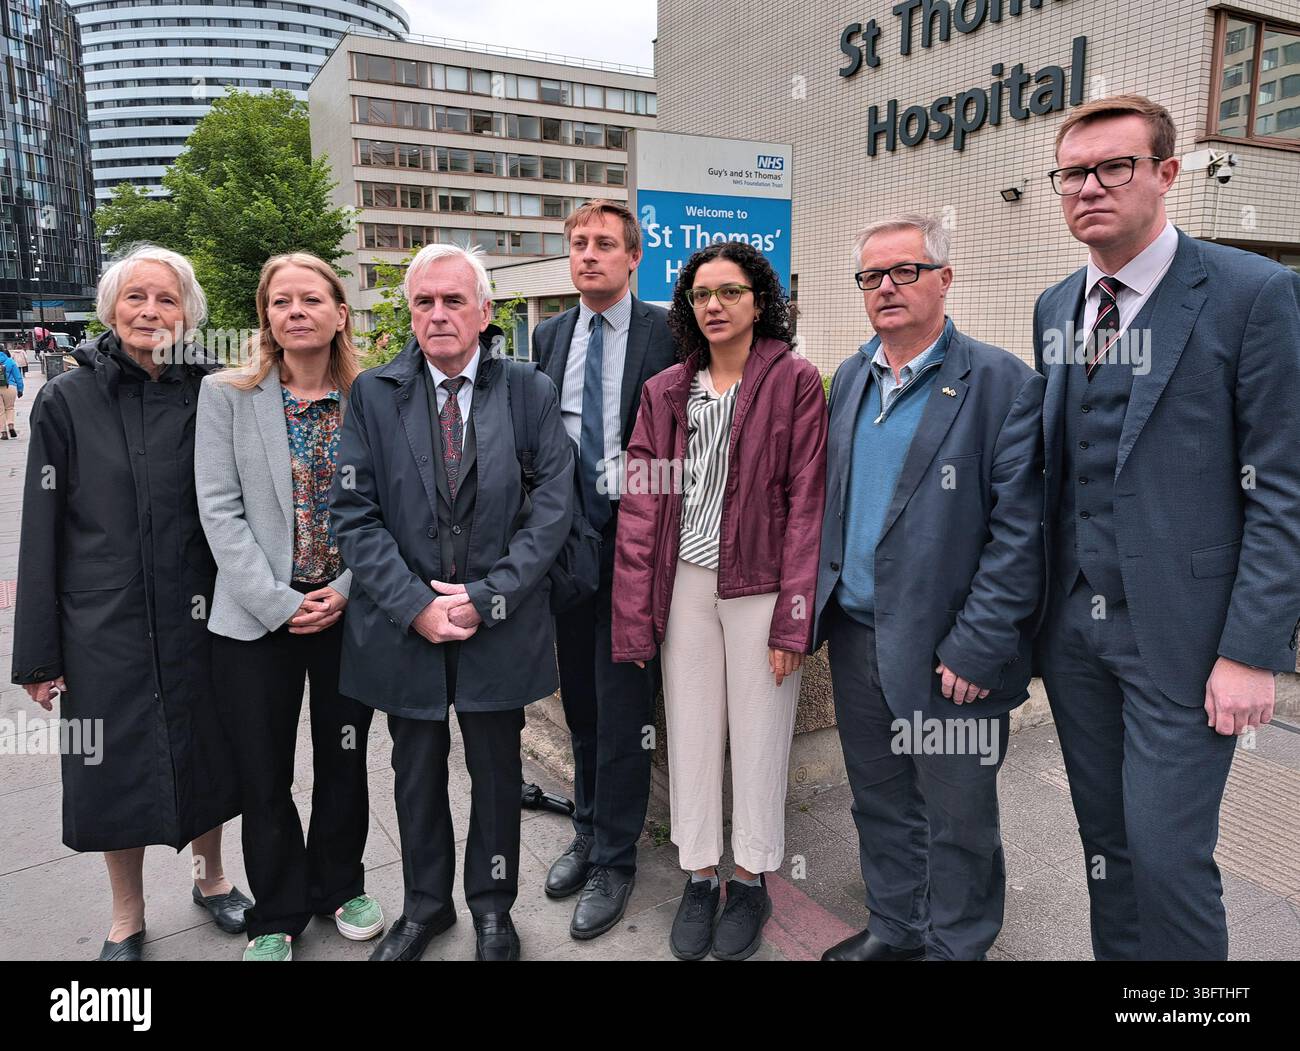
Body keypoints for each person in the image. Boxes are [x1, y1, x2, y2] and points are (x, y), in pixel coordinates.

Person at [1034, 95, 1300, 960]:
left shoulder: (1252, 293)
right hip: (1076, 632)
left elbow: (1283, 487)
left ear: (1167, 174)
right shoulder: (1055, 307)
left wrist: (1253, 649)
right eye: (1074, 172)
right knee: (1108, 852)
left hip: (1184, 640)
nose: (1091, 187)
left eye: (1116, 166)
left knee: (1167, 855)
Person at [330, 243, 573, 962]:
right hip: (405, 628)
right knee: (415, 772)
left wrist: (485, 597)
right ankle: (427, 907)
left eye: (453, 299)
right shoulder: (373, 394)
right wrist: (416, 605)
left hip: (498, 622)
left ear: (484, 310)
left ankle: (493, 908)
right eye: (424, 301)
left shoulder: (528, 390)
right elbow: (353, 513)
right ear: (410, 312)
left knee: (498, 774)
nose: (438, 313)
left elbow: (553, 508)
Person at [814, 215, 1045, 962]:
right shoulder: (850, 376)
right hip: (856, 639)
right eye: (871, 276)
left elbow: (1022, 533)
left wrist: (979, 648)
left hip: (950, 653)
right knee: (879, 799)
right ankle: (896, 925)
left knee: (958, 817)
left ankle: (956, 943)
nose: (886, 287)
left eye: (905, 271)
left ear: (945, 279)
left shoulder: (1002, 382)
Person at [11, 245, 247, 961]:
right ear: (112, 306)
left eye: (167, 299)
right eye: (136, 297)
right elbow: (41, 530)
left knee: (210, 753)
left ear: (188, 311)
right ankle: (125, 916)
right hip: (101, 621)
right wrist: (38, 654)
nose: (150, 311)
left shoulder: (214, 389)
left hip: (200, 611)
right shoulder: (66, 399)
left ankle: (212, 880)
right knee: (111, 769)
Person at [612, 241, 828, 961]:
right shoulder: (667, 390)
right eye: (702, 294)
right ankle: (700, 874)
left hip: (760, 587)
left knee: (762, 737)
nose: (714, 304)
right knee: (693, 732)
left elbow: (808, 505)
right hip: (685, 585)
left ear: (760, 300)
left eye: (730, 291)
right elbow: (642, 506)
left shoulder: (793, 381)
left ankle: (751, 874)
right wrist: (639, 610)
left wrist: (795, 616)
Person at [196, 252, 383, 962]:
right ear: (266, 315)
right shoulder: (228, 395)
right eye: (281, 301)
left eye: (311, 298)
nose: (295, 311)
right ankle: (275, 908)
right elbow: (219, 510)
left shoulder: (374, 396)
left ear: (340, 312)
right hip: (255, 618)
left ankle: (342, 883)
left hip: (349, 611)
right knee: (263, 769)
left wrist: (343, 589)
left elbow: (390, 508)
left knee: (345, 757)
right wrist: (279, 602)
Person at [532, 201, 675, 939]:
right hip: (567, 547)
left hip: (637, 547)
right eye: (579, 244)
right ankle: (585, 831)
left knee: (624, 710)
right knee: (580, 703)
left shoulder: (667, 331)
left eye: (605, 245)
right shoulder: (551, 334)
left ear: (633, 257)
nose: (589, 255)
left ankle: (616, 858)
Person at [0, 346, 23, 439]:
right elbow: (18, 377)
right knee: (10, 408)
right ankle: (11, 425)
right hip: (10, 387)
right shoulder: (10, 361)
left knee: (0, 411)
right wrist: (20, 389)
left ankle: (3, 432)